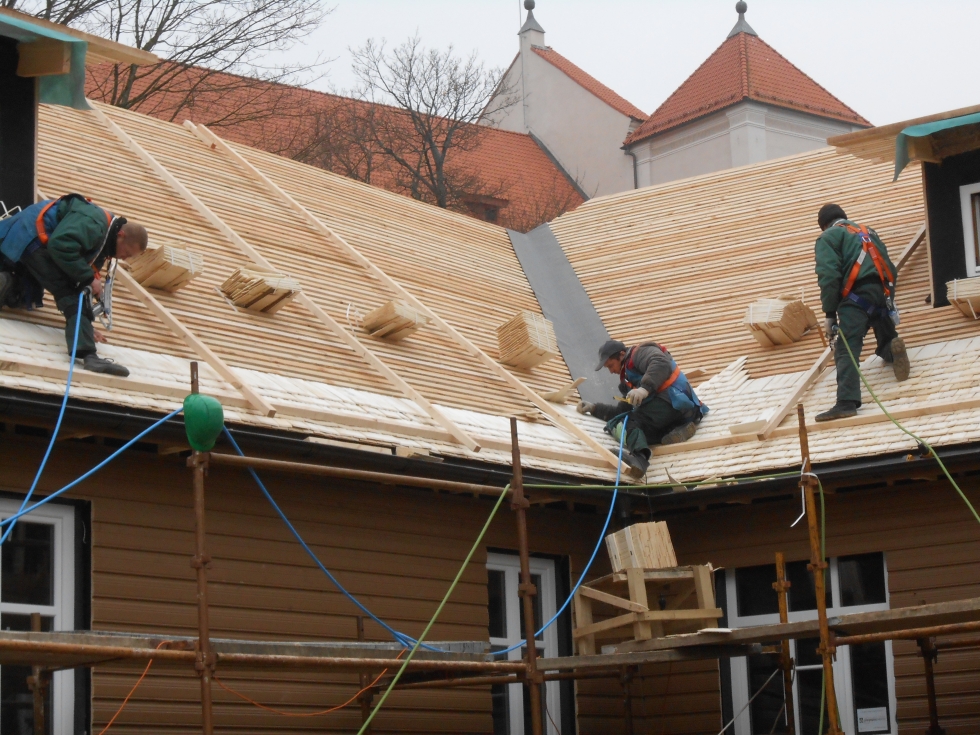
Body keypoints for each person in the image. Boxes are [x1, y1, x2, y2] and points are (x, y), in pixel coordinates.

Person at [0, 193, 148, 377]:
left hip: (20, 235)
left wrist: (86, 324)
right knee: (70, 292)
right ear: (121, 235)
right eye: (126, 253)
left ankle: (5, 282)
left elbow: (81, 274)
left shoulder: (103, 241)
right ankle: (88, 356)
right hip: (30, 236)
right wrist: (88, 278)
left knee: (22, 295)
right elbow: (61, 246)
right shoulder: (94, 225)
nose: (123, 258)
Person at [814, 203, 909, 422]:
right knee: (884, 332)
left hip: (856, 298)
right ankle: (891, 350)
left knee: (846, 348)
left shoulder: (828, 238)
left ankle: (846, 403)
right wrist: (888, 298)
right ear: (843, 218)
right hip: (882, 293)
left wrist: (829, 313)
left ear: (824, 226)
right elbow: (888, 266)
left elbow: (828, 276)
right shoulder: (867, 232)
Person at [576, 339, 708, 476]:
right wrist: (594, 409)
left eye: (611, 365)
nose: (611, 371)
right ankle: (676, 429)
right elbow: (621, 411)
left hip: (672, 401)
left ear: (621, 354)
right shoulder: (627, 381)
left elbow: (660, 363)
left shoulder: (639, 353)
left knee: (625, 425)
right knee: (628, 424)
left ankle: (639, 459)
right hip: (681, 411)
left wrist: (644, 389)